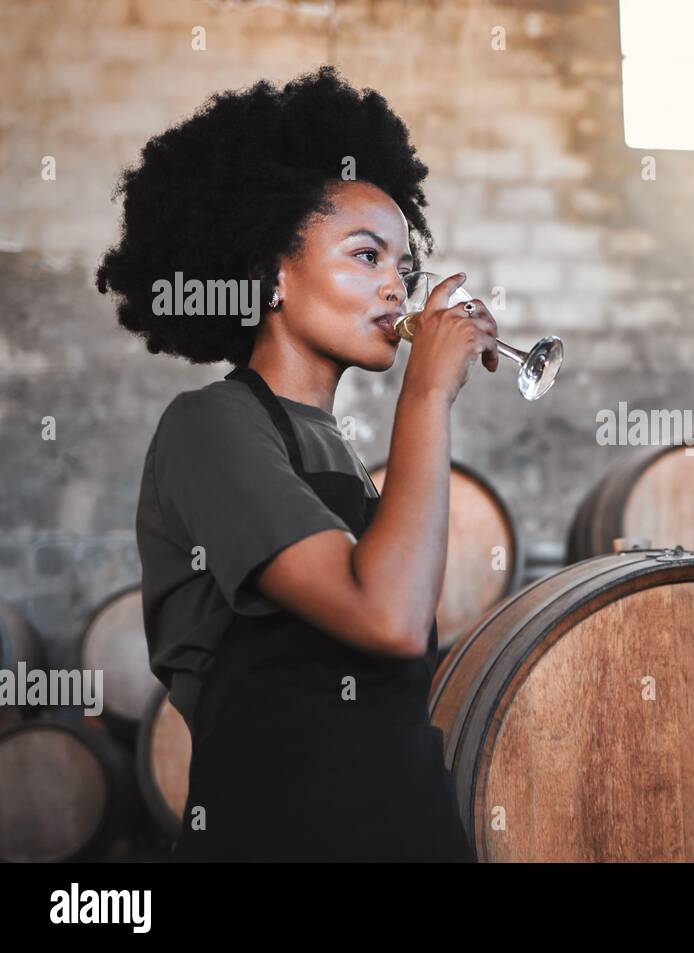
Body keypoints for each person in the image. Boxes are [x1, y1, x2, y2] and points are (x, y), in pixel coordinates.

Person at [95, 66, 497, 862]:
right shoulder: (210, 426)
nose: (396, 286)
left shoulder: (337, 448)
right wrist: (425, 400)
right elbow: (386, 617)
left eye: (404, 266)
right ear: (272, 275)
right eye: (365, 255)